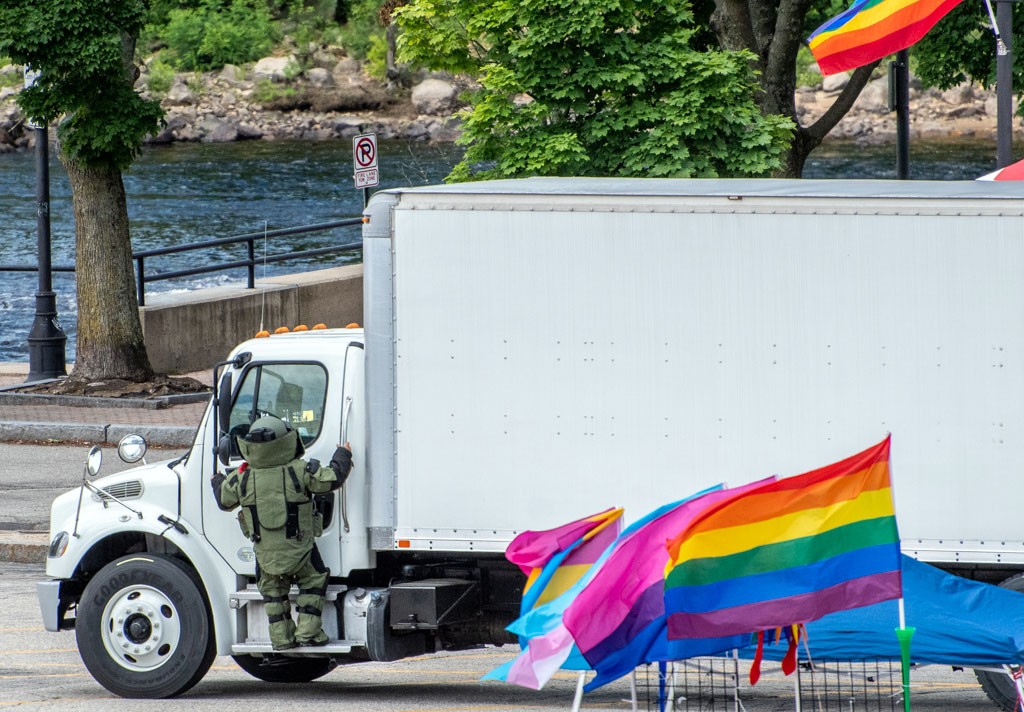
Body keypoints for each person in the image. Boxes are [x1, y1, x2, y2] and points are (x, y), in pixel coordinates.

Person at [211, 415, 352, 649]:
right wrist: (343, 454)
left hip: (265, 553)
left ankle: (282, 639)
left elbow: (224, 501)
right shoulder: (300, 470)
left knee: (273, 594)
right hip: (301, 549)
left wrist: (216, 481)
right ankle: (308, 633)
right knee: (314, 583)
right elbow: (333, 478)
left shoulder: (242, 476)